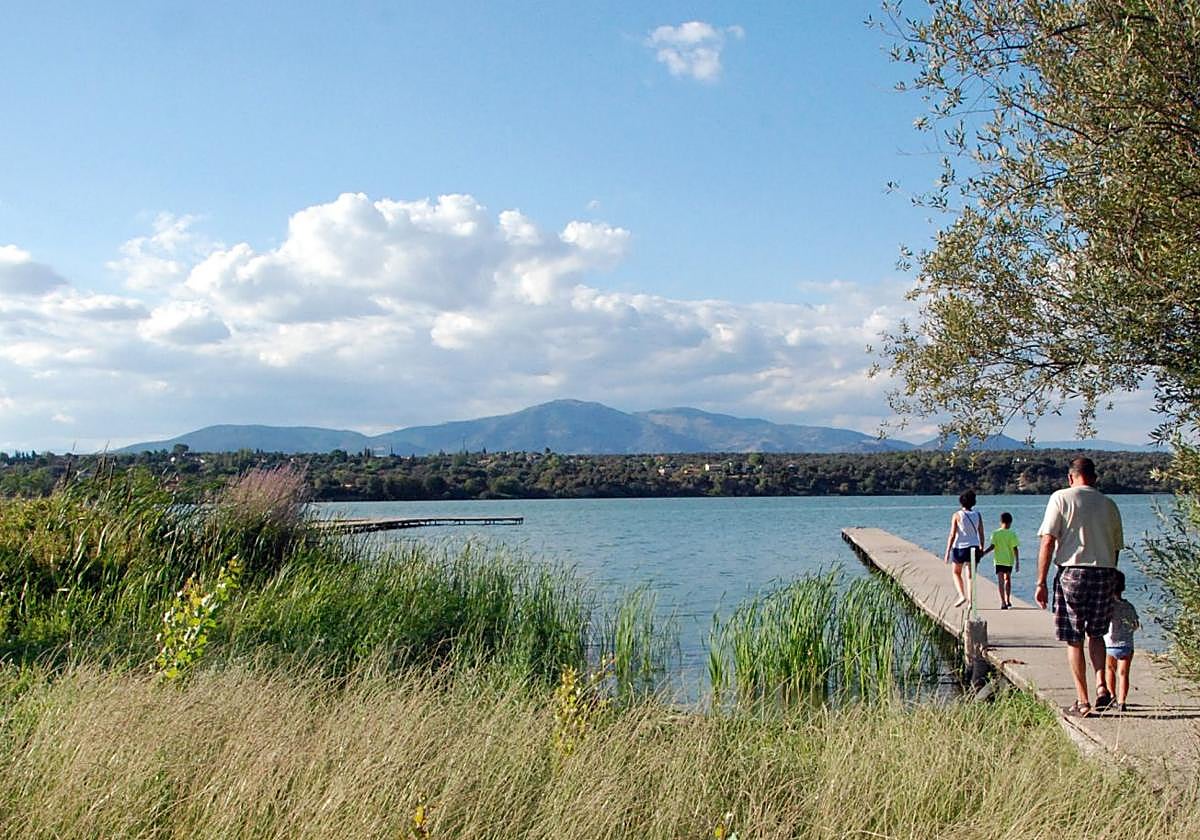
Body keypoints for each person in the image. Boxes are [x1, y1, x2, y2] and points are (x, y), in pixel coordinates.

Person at [1035, 457, 1124, 717]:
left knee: (1074, 639)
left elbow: (1048, 541)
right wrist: (1110, 578)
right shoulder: (1109, 504)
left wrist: (1040, 582)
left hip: (1072, 572)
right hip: (1105, 573)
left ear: (1070, 477)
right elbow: (1116, 548)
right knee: (1096, 634)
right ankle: (1101, 687)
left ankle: (1083, 701)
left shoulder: (1061, 498)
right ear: (1094, 478)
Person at [1104, 571, 1140, 713]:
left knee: (1109, 670)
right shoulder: (1129, 606)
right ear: (1123, 588)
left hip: (1109, 644)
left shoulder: (1108, 606)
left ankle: (1111, 695)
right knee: (1124, 674)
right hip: (1126, 645)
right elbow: (1135, 624)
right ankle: (1122, 702)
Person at [944, 490, 984, 608]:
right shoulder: (978, 515)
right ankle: (971, 602)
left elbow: (952, 534)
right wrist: (982, 546)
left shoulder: (957, 515)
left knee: (956, 572)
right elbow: (981, 533)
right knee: (971, 576)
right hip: (974, 547)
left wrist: (947, 551)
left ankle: (962, 595)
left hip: (960, 548)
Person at [981, 511, 1019, 609]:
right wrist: (1018, 562)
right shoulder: (1012, 534)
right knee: (1008, 580)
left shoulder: (995, 533)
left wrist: (984, 553)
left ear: (1000, 522)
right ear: (1010, 522)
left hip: (998, 560)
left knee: (1001, 581)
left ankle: (1003, 602)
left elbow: (992, 546)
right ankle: (1008, 599)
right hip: (1009, 560)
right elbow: (1015, 549)